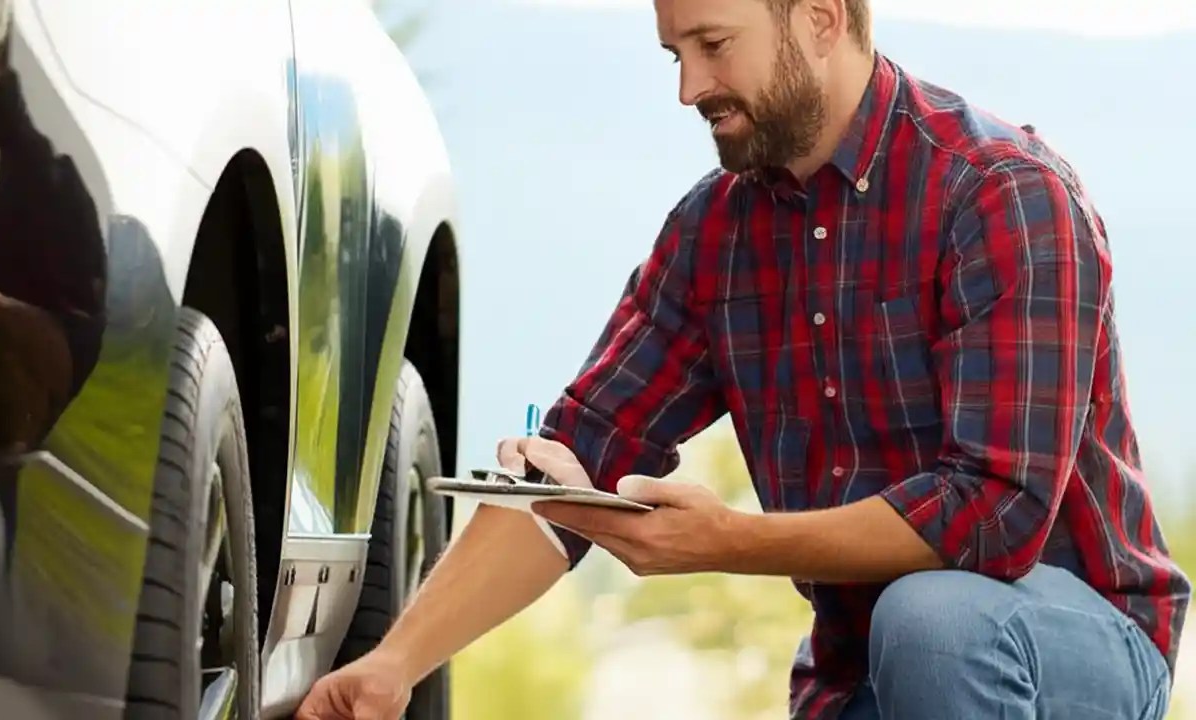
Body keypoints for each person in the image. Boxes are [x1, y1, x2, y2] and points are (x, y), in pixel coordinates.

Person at [296, 0, 1191, 717]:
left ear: (821, 18)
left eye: (714, 44)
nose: (689, 86)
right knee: (910, 636)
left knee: (933, 617)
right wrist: (393, 666)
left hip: (1077, 649)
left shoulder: (999, 194)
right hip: (858, 678)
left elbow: (996, 517)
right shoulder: (713, 232)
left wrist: (726, 543)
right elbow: (581, 460)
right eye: (674, 53)